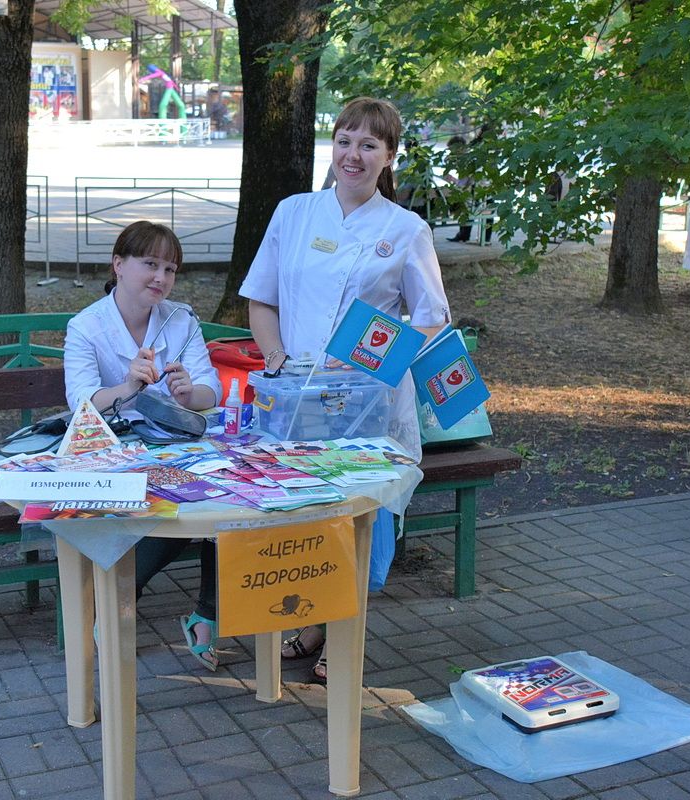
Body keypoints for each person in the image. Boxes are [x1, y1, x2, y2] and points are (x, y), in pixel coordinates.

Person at [239, 97, 451, 682]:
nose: (352, 155)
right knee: (302, 513)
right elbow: (262, 299)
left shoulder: (406, 229)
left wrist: (368, 359)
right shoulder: (294, 212)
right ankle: (309, 618)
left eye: (369, 144)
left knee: (354, 515)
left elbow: (431, 316)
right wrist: (279, 363)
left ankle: (342, 633)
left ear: (389, 156)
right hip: (297, 396)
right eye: (344, 140)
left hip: (365, 399)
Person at [63, 221, 224, 671]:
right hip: (112, 449)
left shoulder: (180, 319)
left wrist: (190, 393)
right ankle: (119, 595)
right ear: (118, 264)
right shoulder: (87, 326)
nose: (161, 278)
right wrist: (128, 385)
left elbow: (210, 390)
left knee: (222, 496)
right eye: (149, 264)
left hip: (174, 443)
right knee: (183, 500)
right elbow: (81, 404)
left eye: (170, 268)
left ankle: (206, 614)